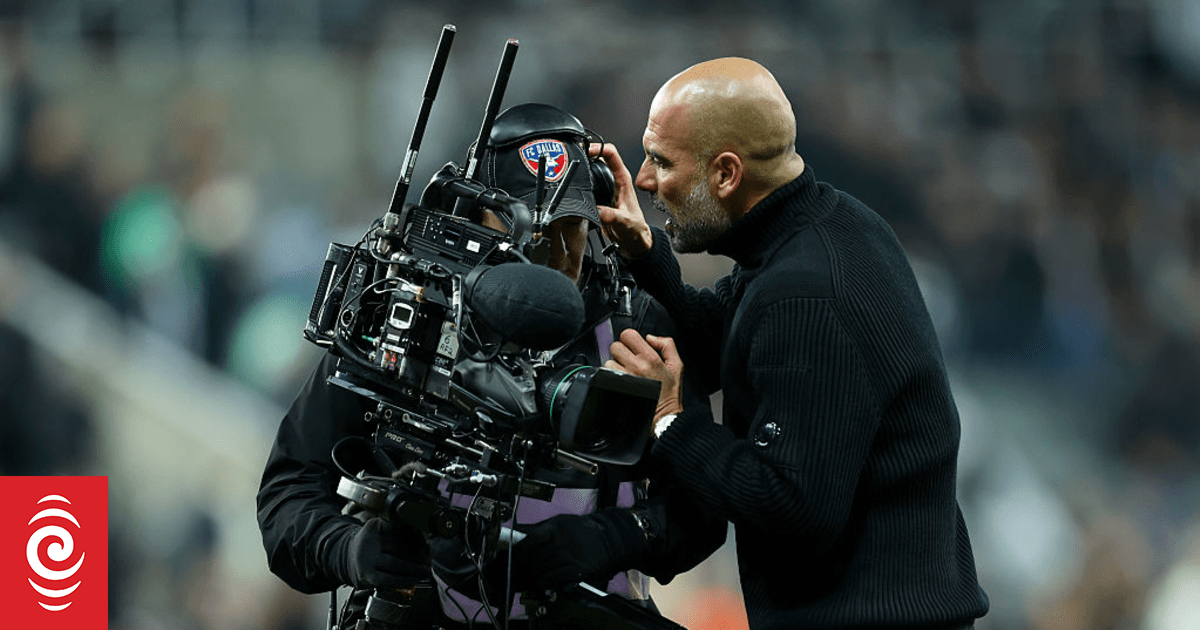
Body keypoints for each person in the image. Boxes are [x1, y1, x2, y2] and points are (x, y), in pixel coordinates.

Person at [256, 103, 725, 629]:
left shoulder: (633, 325)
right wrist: (345, 549)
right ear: (476, 219)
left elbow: (703, 510)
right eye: (530, 229)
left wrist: (616, 536)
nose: (554, 251)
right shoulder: (406, 314)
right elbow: (289, 488)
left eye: (570, 226)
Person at [581, 57, 991, 629]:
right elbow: (730, 337)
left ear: (726, 174)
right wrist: (647, 255)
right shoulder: (836, 225)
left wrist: (670, 419)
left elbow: (792, 506)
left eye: (661, 161)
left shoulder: (807, 293)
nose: (645, 181)